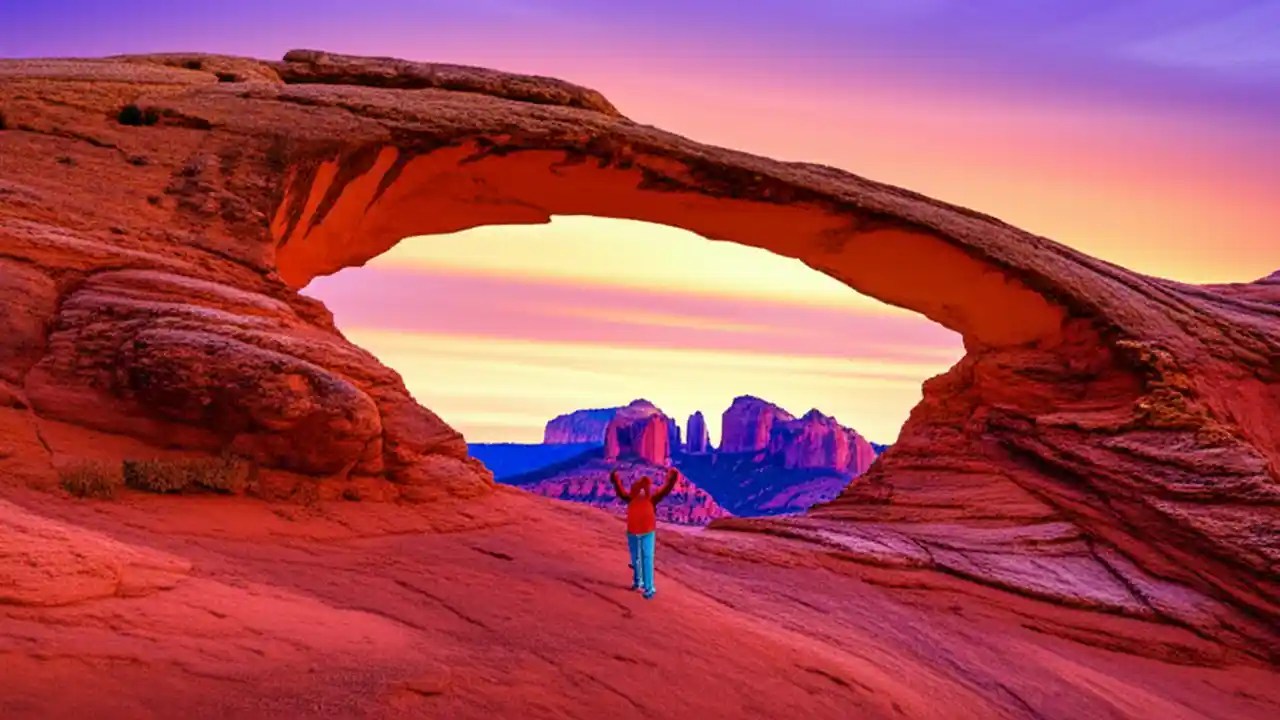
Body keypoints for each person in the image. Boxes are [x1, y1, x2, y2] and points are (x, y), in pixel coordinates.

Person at [609, 467, 678, 599]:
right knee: (642, 558)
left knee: (642, 558)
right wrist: (615, 480)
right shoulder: (646, 499)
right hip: (640, 531)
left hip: (642, 531)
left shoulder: (645, 499)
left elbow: (665, 491)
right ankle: (642, 584)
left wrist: (615, 480)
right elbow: (665, 491)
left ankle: (645, 585)